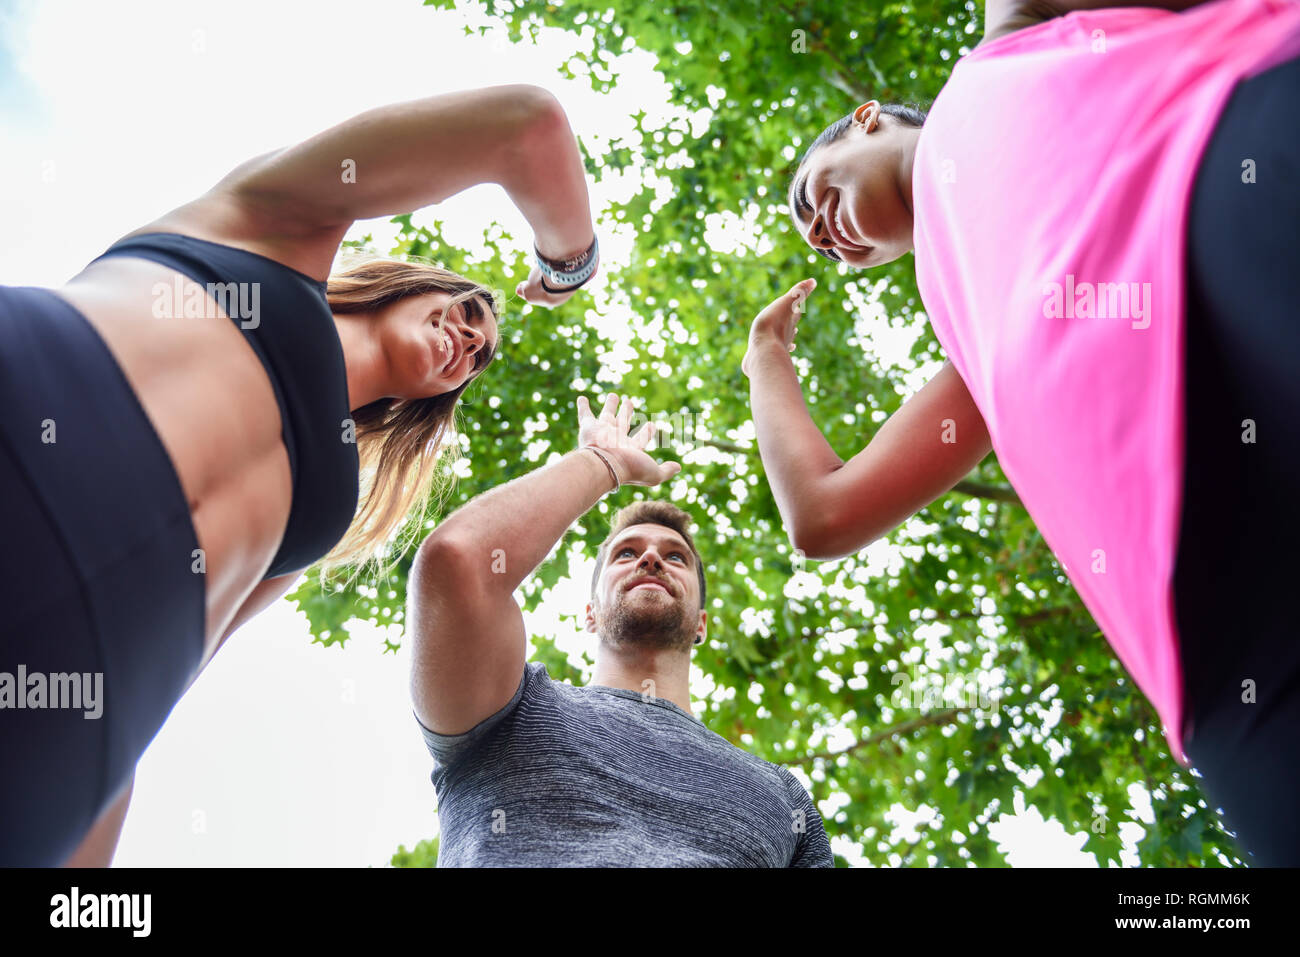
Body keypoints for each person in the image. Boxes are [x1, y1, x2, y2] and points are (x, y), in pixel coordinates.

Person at [743, 0, 1300, 864]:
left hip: (1224, 176)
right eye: (815, 244)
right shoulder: (978, 325)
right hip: (1205, 615)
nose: (822, 233)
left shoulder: (1004, 49)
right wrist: (763, 359)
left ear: (865, 121)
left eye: (813, 197)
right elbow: (823, 516)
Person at [0, 83, 600, 866]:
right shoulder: (270, 233)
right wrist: (568, 266)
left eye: (478, 356)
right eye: (465, 310)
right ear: (412, 282)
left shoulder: (325, 507)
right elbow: (527, 126)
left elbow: (178, 671)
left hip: (67, 714)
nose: (467, 340)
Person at [407, 394, 834, 866]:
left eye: (676, 557)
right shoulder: (508, 710)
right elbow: (457, 561)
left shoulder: (780, 796)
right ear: (590, 613)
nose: (651, 558)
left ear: (701, 624)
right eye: (626, 554)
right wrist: (603, 462)